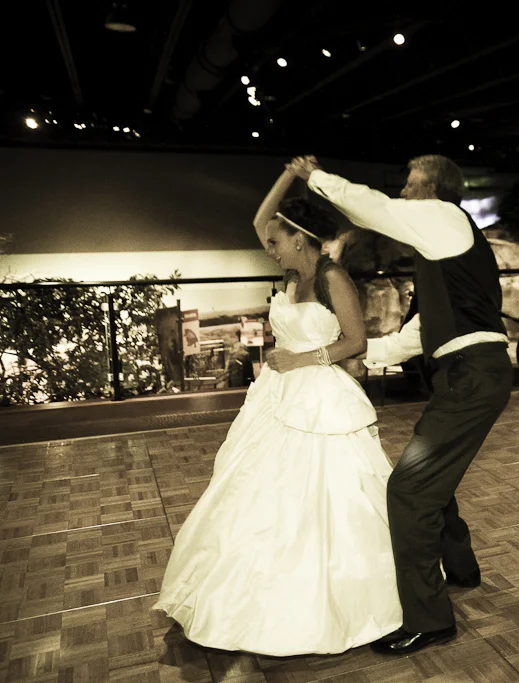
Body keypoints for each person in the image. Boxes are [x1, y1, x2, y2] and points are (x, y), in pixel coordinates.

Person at [153, 169, 402, 655]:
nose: (270, 247)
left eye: (276, 241)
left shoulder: (332, 278)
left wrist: (304, 358)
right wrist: (289, 175)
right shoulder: (292, 276)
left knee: (331, 495)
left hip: (320, 396)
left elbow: (356, 341)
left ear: (301, 239)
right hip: (276, 396)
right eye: (270, 242)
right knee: (255, 490)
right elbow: (261, 218)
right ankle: (245, 594)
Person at [286, 154, 513, 656]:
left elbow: (373, 207)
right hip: (468, 375)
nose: (404, 195)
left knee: (408, 491)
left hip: (471, 377)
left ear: (432, 190)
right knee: (429, 482)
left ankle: (430, 620)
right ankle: (461, 568)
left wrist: (315, 178)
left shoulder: (445, 218)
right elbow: (421, 332)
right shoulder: (442, 247)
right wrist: (367, 354)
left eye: (411, 185)